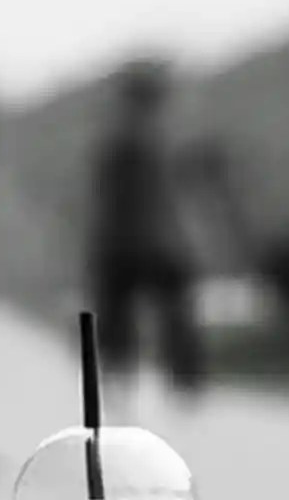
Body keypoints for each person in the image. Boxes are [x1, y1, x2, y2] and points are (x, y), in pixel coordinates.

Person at [87, 59, 204, 422]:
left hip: (141, 245)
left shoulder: (133, 144)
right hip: (147, 244)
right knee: (147, 315)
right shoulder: (164, 141)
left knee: (159, 315)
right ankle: (155, 380)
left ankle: (165, 380)